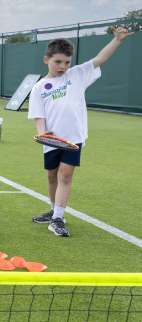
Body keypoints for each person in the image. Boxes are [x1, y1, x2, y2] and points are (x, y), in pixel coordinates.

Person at [28, 27, 132, 237]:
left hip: (73, 139)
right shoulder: (39, 88)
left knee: (65, 175)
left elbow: (100, 58)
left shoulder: (77, 74)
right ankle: (53, 210)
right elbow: (39, 116)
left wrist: (117, 40)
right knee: (52, 176)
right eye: (58, 62)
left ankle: (58, 218)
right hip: (52, 141)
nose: (63, 66)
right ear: (46, 60)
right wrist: (43, 134)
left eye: (67, 62)